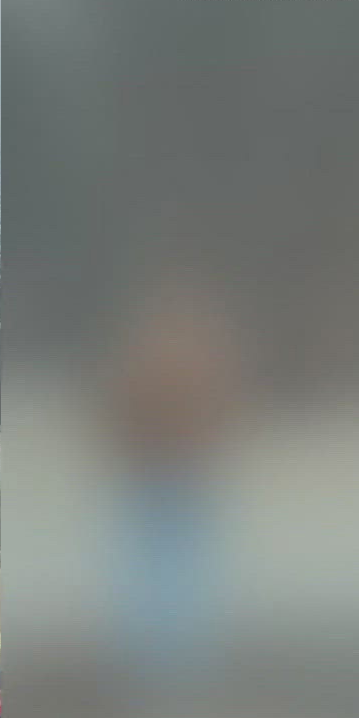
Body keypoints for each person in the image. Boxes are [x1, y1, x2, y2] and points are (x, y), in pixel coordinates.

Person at [107, 275, 239, 694]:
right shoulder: (203, 356)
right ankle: (179, 670)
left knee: (157, 574)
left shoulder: (141, 357)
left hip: (158, 477)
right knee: (182, 574)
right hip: (179, 477)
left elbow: (120, 417)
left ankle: (156, 669)